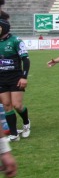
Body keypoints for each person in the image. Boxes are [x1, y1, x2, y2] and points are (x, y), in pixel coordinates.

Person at [0, 12, 31, 140]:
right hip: (1, 78)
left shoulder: (16, 41)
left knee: (17, 105)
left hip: (16, 77)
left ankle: (26, 122)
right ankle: (13, 134)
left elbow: (26, 60)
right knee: (7, 105)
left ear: (4, 27)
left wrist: (24, 77)